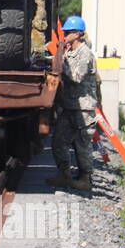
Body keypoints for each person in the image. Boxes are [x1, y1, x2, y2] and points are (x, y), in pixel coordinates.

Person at [50, 15, 99, 192]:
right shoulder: (70, 52)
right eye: (65, 32)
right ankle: (65, 175)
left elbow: (77, 77)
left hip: (83, 108)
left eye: (69, 32)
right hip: (70, 106)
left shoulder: (85, 54)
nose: (66, 35)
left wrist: (61, 63)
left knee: (82, 143)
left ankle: (85, 179)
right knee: (58, 141)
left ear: (78, 34)